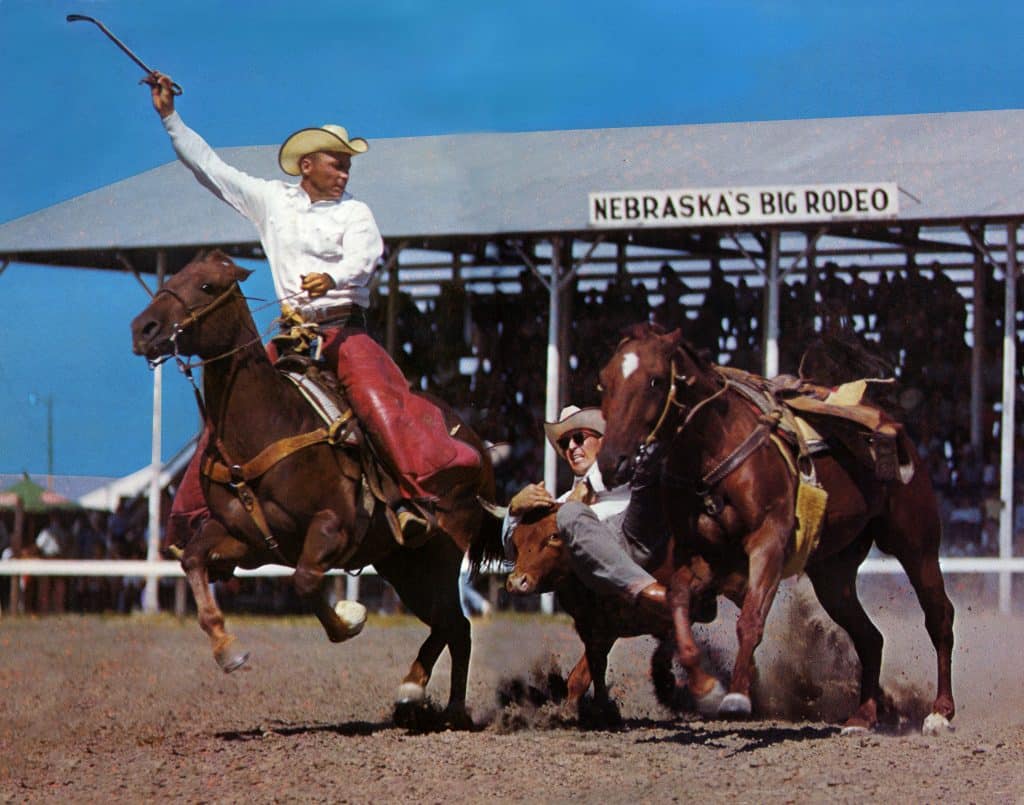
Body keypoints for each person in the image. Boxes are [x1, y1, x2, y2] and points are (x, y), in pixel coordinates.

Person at [147, 72, 481, 553]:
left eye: (347, 165)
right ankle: (192, 519)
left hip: (344, 330)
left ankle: (412, 499)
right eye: (336, 163)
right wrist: (170, 117)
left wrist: (336, 278)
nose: (345, 173)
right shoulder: (270, 201)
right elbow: (211, 169)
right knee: (225, 418)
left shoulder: (355, 213)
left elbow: (369, 256)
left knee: (377, 403)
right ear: (306, 165)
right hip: (290, 335)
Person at [502, 405, 673, 618]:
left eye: (579, 438)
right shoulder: (563, 502)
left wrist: (590, 483)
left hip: (645, 532)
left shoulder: (626, 470)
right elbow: (518, 551)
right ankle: (649, 595)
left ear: (603, 441)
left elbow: (635, 456)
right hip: (607, 582)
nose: (572, 447)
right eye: (565, 443)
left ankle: (648, 591)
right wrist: (514, 511)